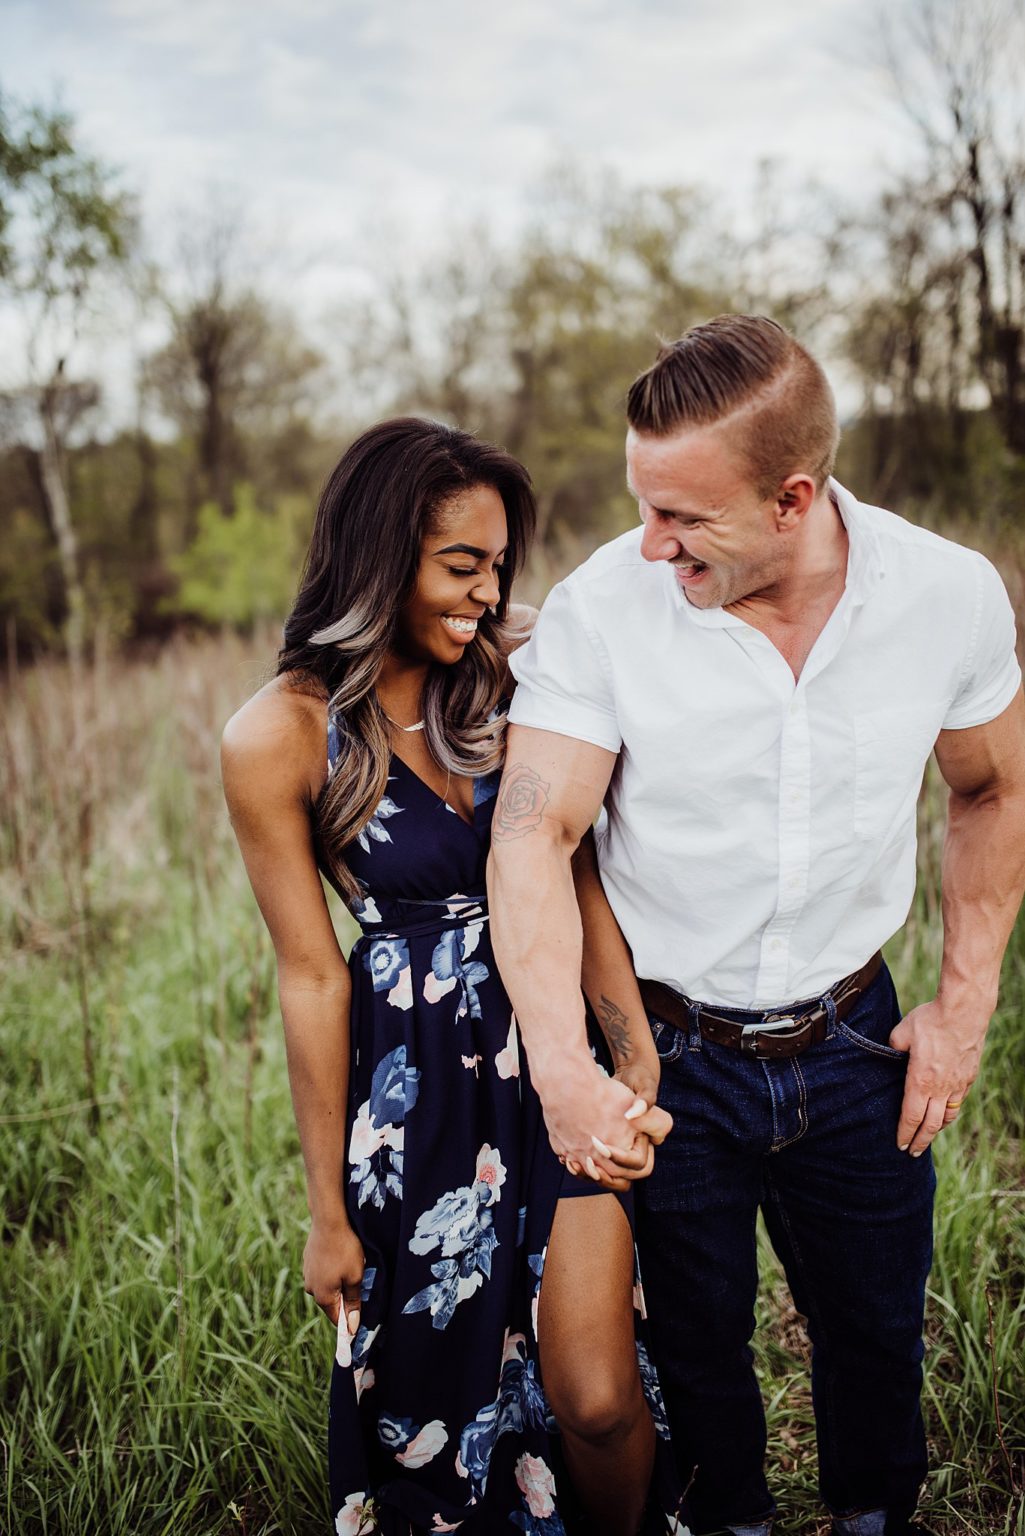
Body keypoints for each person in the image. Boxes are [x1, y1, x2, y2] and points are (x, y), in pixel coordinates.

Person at [487, 316, 1025, 1536]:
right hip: (665, 1056)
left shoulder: (942, 596)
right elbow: (532, 832)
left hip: (856, 1044)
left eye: (682, 516)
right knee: (695, 1348)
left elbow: (993, 784)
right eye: (642, 503)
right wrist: (568, 1072)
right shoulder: (604, 609)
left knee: (876, 1333)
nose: (648, 541)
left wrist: (965, 1003)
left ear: (793, 496)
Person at [220, 417, 683, 1536]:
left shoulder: (511, 672)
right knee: (438, 1395)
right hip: (418, 1099)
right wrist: (325, 1212)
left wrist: (633, 1058)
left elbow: (572, 874)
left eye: (495, 567)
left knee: (595, 1390)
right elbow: (311, 979)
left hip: (556, 1059)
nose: (483, 593)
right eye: (459, 566)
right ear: (379, 555)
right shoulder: (278, 735)